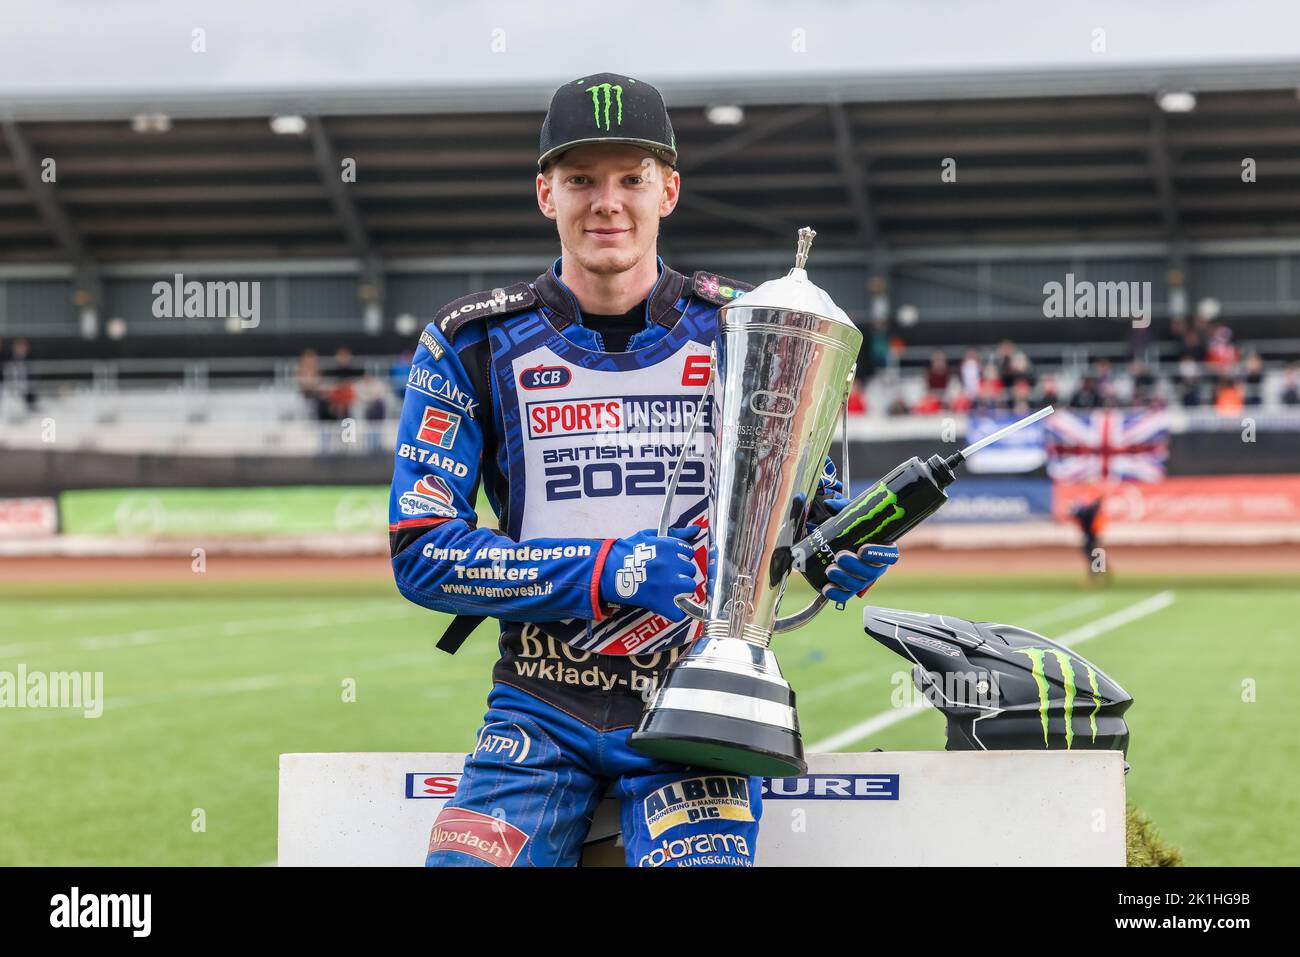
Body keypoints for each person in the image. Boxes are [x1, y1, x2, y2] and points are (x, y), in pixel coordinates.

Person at [389, 73, 900, 868]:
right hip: (536, 704)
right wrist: (608, 569)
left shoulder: (747, 328)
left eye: (631, 178)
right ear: (544, 193)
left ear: (669, 189)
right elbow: (423, 552)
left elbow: (808, 515)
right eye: (581, 180)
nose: (607, 203)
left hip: (700, 707)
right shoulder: (472, 341)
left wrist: (840, 547)